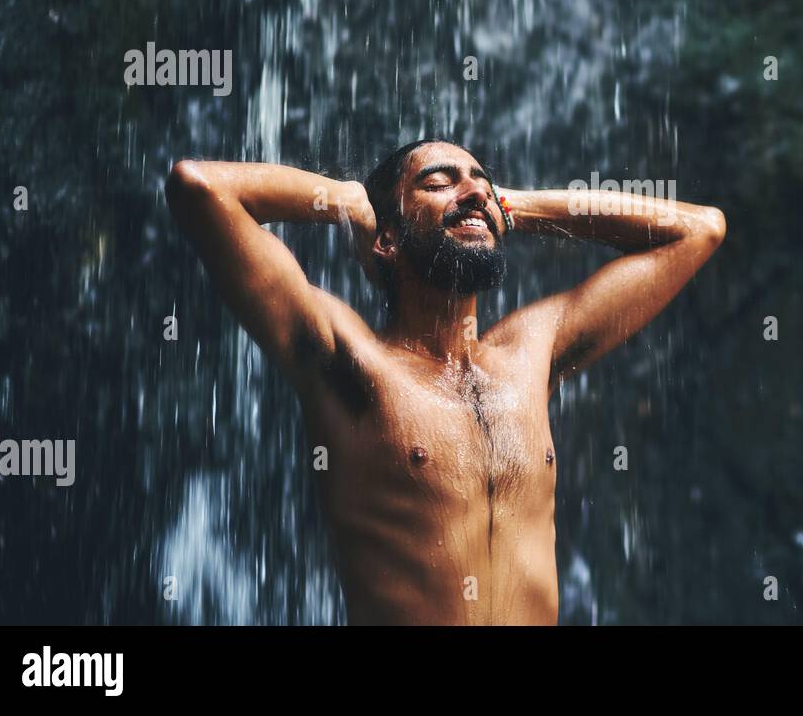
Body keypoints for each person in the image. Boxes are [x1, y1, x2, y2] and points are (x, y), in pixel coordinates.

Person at [165, 140, 725, 624]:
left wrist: (513, 206)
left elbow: (698, 230)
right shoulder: (349, 359)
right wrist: (346, 201)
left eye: (482, 182)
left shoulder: (532, 352)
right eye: (439, 182)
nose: (473, 191)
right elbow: (200, 187)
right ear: (386, 239)